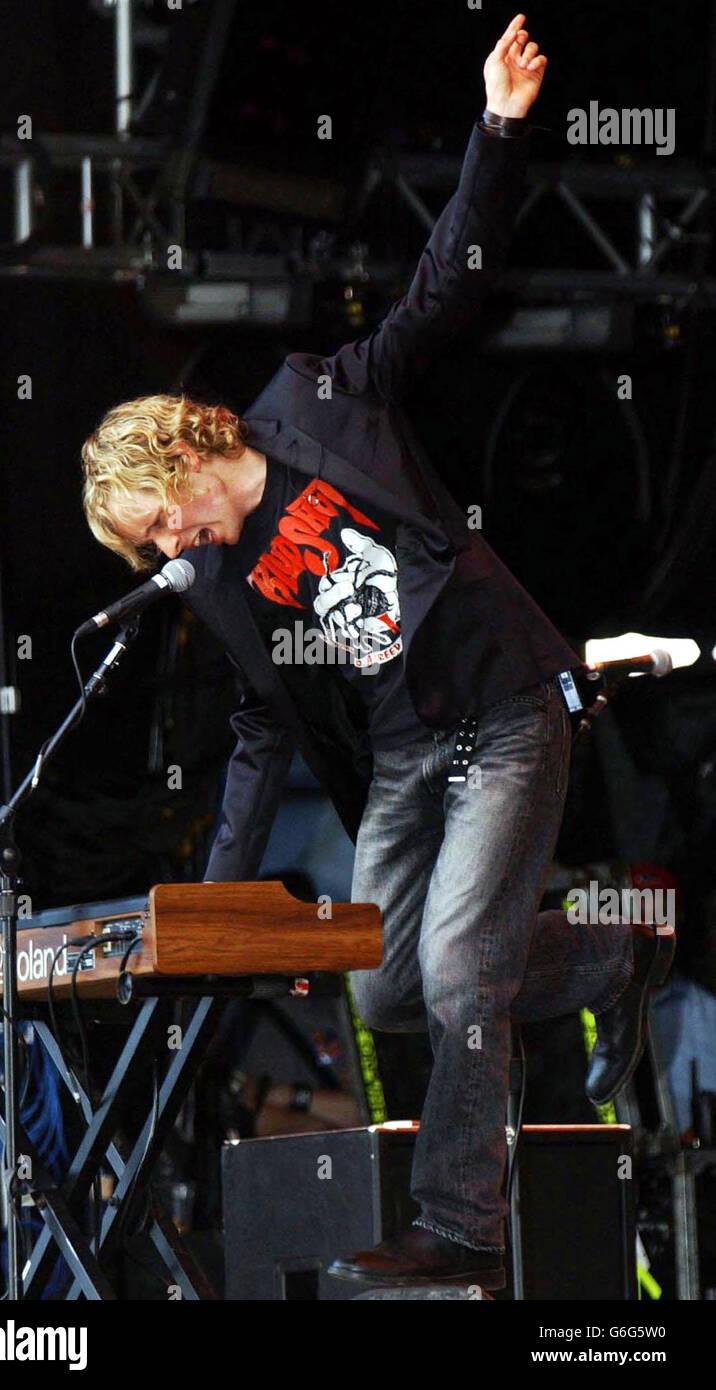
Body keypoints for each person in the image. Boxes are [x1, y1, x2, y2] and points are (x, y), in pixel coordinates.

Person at [81, 14, 674, 1288]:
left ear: (176, 458)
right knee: (387, 991)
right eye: (146, 549)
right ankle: (609, 950)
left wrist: (498, 131)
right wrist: (218, 919)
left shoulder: (319, 405)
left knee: (463, 967)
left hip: (503, 701)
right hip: (409, 757)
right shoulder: (224, 587)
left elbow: (443, 291)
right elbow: (256, 734)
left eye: (154, 525)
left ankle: (460, 1229)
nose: (161, 550)